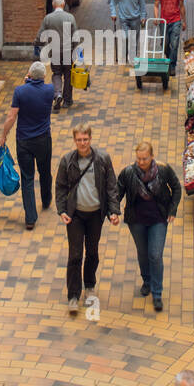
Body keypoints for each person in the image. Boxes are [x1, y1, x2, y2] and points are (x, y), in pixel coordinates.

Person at [54, 123, 119, 315]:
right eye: (79, 140)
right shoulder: (67, 161)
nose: (82, 143)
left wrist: (113, 211)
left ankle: (89, 284)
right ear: (74, 140)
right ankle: (73, 295)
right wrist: (62, 210)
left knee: (92, 252)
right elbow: (60, 187)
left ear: (90, 139)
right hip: (75, 215)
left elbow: (111, 186)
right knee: (75, 255)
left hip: (95, 214)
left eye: (85, 139)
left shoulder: (102, 159)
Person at [117, 140, 182, 312]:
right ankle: (146, 280)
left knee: (155, 254)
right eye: (138, 159)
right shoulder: (128, 173)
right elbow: (118, 192)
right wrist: (113, 211)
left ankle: (157, 292)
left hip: (158, 219)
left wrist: (172, 209)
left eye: (145, 159)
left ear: (152, 157)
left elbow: (176, 188)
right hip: (136, 221)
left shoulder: (163, 170)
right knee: (143, 253)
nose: (141, 162)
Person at [0, 62, 55, 229]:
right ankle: (46, 199)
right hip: (43, 138)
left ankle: (30, 218)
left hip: (24, 141)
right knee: (45, 171)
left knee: (27, 177)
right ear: (44, 76)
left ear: (29, 74)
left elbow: (11, 117)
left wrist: (3, 136)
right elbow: (39, 93)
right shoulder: (50, 90)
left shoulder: (20, 91)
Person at [40, 0, 78, 110]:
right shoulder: (70, 17)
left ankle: (57, 94)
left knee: (56, 73)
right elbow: (75, 36)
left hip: (55, 51)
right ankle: (67, 101)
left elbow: (41, 36)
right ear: (63, 4)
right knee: (68, 75)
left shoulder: (48, 18)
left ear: (53, 5)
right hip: (68, 51)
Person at [109, 0, 147, 64]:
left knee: (134, 39)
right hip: (124, 18)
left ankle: (133, 57)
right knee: (125, 37)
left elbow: (142, 4)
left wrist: (143, 16)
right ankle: (125, 55)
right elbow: (113, 2)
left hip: (135, 18)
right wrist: (113, 13)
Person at [154, 0, 186, 75]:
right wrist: (156, 18)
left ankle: (172, 65)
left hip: (176, 20)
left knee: (175, 43)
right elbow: (156, 5)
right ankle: (168, 58)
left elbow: (181, 6)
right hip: (164, 21)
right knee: (165, 43)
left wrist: (184, 21)